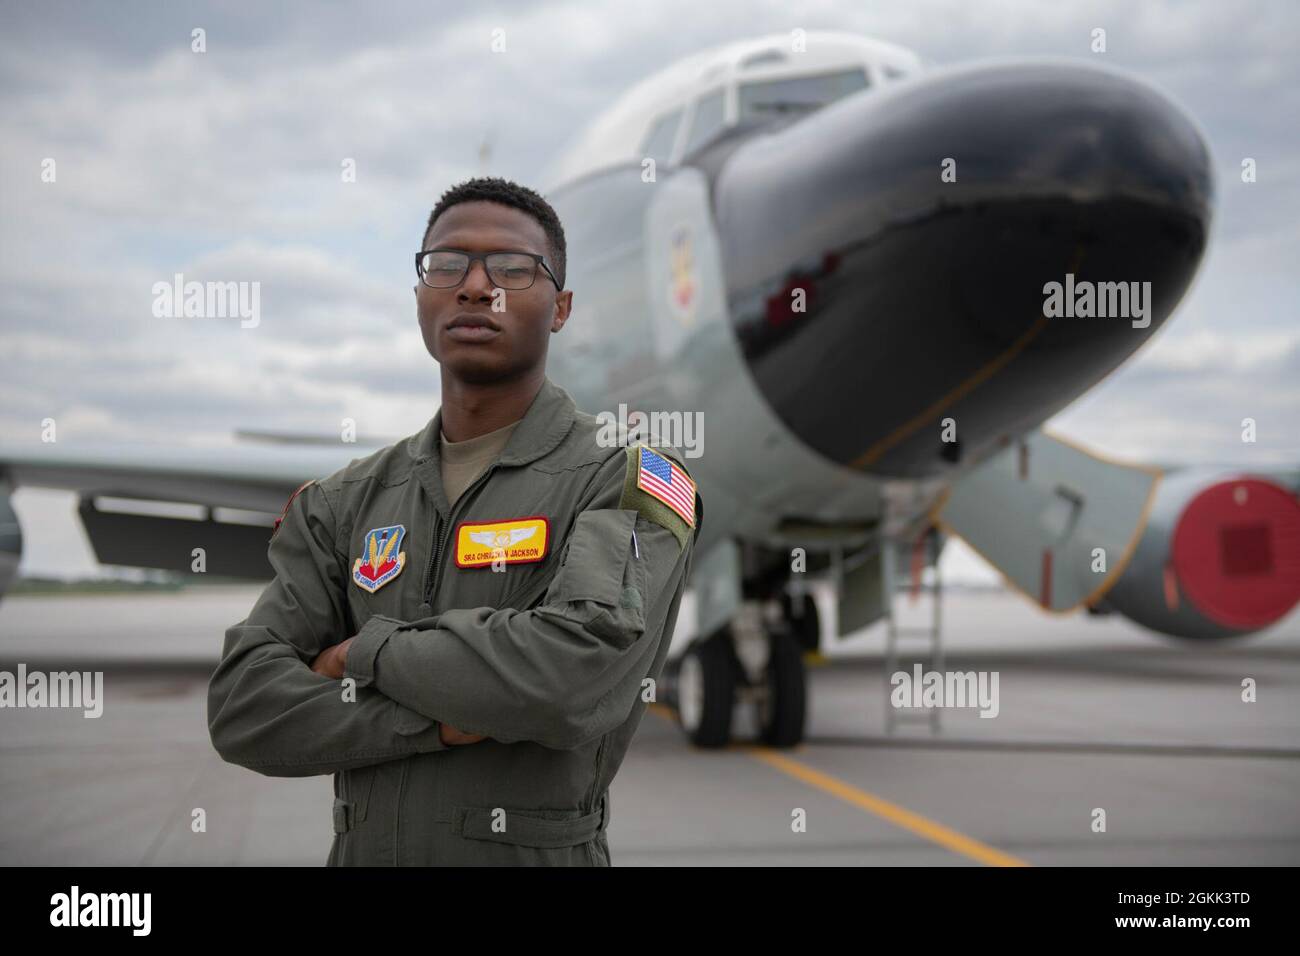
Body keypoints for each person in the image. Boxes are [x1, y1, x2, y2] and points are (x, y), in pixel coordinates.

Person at [207, 176, 701, 865]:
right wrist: (431, 723)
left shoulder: (623, 479)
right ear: (420, 295)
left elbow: (568, 684)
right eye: (446, 265)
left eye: (512, 269)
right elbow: (244, 706)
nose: (474, 287)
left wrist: (360, 655)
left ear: (560, 308)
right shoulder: (343, 502)